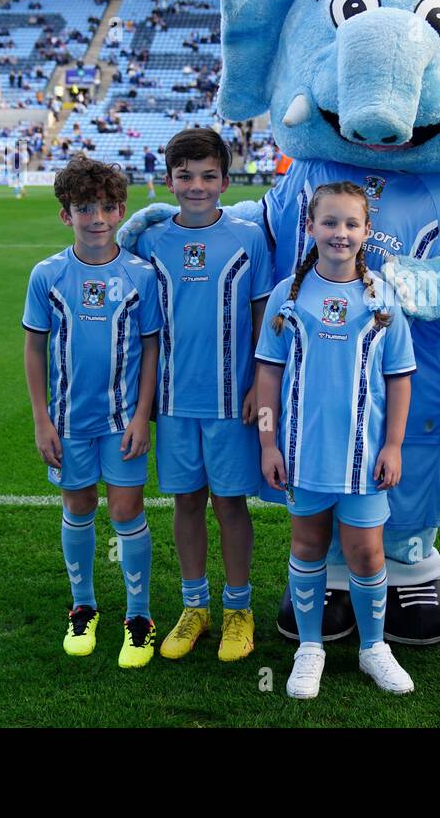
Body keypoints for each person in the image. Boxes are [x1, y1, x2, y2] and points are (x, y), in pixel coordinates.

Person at [255, 181, 417, 699]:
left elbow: (399, 379)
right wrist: (267, 442)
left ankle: (374, 648)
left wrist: (392, 446)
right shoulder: (289, 295)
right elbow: (268, 375)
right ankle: (310, 647)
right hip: (302, 455)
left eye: (351, 224)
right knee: (307, 546)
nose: (340, 233)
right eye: (329, 222)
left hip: (365, 457)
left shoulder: (381, 299)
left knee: (367, 554)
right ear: (310, 227)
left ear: (367, 231)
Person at [133, 128, 272, 663]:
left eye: (208, 175)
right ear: (168, 180)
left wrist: (260, 381)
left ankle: (239, 610)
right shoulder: (151, 240)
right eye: (185, 176)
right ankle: (195, 607)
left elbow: (262, 316)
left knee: (230, 504)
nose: (197, 185)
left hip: (230, 401)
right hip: (171, 402)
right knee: (186, 502)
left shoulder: (248, 237)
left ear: (225, 179)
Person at [21, 154, 163, 668]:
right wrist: (41, 418)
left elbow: (151, 349)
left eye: (106, 207)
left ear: (121, 209)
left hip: (121, 422)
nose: (97, 218)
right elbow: (34, 349)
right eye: (84, 208)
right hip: (67, 424)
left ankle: (139, 618)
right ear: (66, 214)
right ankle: (83, 608)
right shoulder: (48, 275)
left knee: (126, 511)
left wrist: (143, 413)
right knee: (78, 507)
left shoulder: (141, 275)